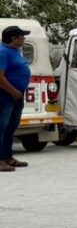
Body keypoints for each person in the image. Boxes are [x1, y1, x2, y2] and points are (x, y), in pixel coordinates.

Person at [0, 25, 32, 171]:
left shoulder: (15, 51)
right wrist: (12, 91)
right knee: (1, 126)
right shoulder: (3, 52)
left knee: (10, 127)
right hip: (5, 95)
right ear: (14, 38)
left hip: (16, 95)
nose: (24, 38)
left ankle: (7, 157)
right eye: (22, 36)